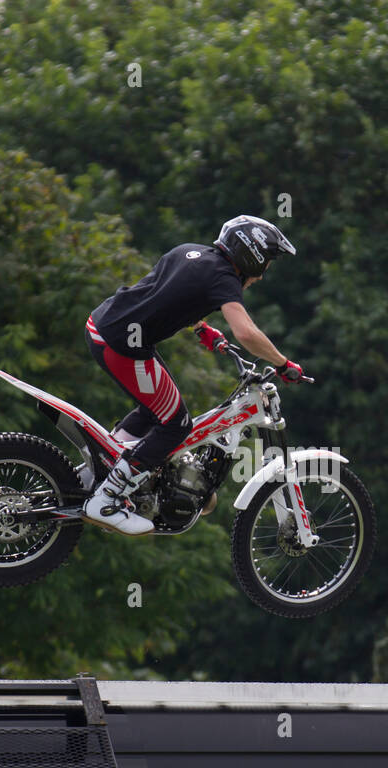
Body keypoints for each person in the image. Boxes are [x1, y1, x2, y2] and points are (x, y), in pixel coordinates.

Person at [82, 214, 305, 534]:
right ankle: (107, 498)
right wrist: (283, 364)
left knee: (157, 410)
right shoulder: (224, 278)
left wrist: (200, 326)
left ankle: (105, 467)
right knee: (176, 424)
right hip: (120, 345)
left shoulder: (190, 252)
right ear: (252, 254)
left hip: (104, 325)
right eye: (266, 262)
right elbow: (246, 333)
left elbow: (162, 295)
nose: (262, 275)